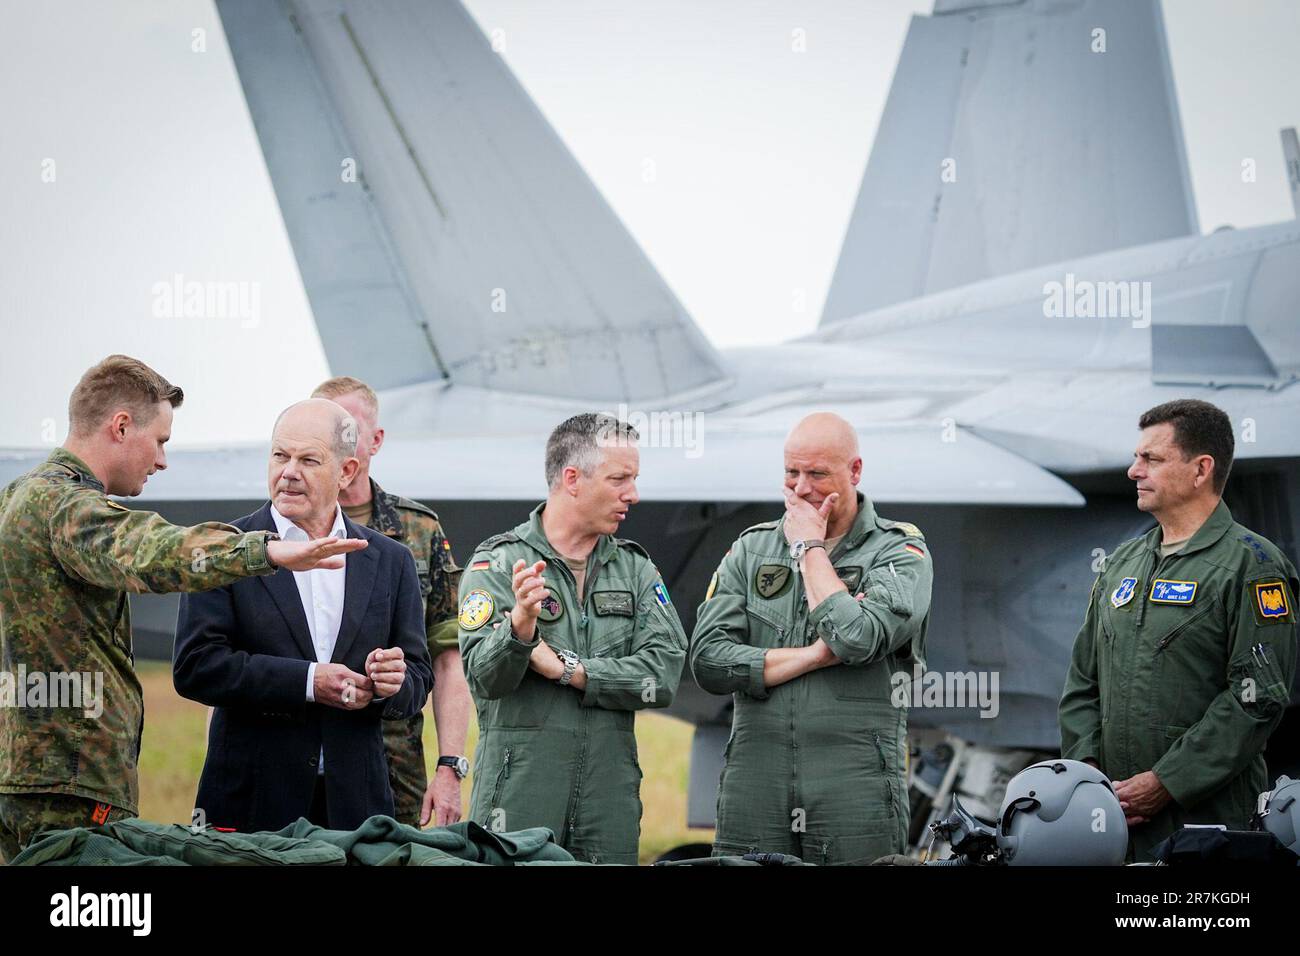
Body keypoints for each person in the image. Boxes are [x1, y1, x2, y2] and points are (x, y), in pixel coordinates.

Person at [0, 356, 362, 862]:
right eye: (162, 441)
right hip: (67, 782)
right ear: (121, 426)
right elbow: (150, 548)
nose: (163, 461)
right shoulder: (66, 507)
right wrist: (265, 551)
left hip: (34, 774)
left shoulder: (16, 497)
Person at [173, 399, 432, 833]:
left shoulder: (391, 560)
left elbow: (418, 677)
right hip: (251, 805)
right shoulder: (224, 549)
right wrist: (309, 682)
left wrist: (393, 682)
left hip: (356, 810)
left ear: (346, 472)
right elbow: (195, 668)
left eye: (308, 460)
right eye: (280, 455)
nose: (288, 471)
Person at [690, 412, 933, 865]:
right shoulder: (753, 548)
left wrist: (809, 549)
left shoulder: (900, 552)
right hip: (755, 777)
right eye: (791, 473)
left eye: (817, 474)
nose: (801, 488)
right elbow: (707, 661)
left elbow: (857, 639)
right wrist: (813, 656)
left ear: (855, 471)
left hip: (855, 781)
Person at [1060, 399, 1297, 861]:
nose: (1134, 470)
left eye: (1151, 458)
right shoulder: (1122, 564)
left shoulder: (1253, 565)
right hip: (1113, 826)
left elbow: (1256, 699)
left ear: (1201, 469)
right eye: (1136, 457)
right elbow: (1082, 681)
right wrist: (1089, 778)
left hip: (1208, 826)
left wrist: (1167, 783)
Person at [458, 413, 687, 864]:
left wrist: (572, 671)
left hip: (610, 801)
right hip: (519, 795)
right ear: (572, 479)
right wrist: (519, 629)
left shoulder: (636, 570)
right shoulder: (500, 564)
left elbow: (663, 674)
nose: (633, 495)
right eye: (620, 478)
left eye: (634, 479)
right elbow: (484, 678)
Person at [311, 376, 471, 829]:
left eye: (348, 428)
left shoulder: (417, 532)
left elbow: (447, 658)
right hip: (292, 764)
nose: (335, 441)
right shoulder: (278, 535)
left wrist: (450, 767)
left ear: (376, 440)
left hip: (391, 768)